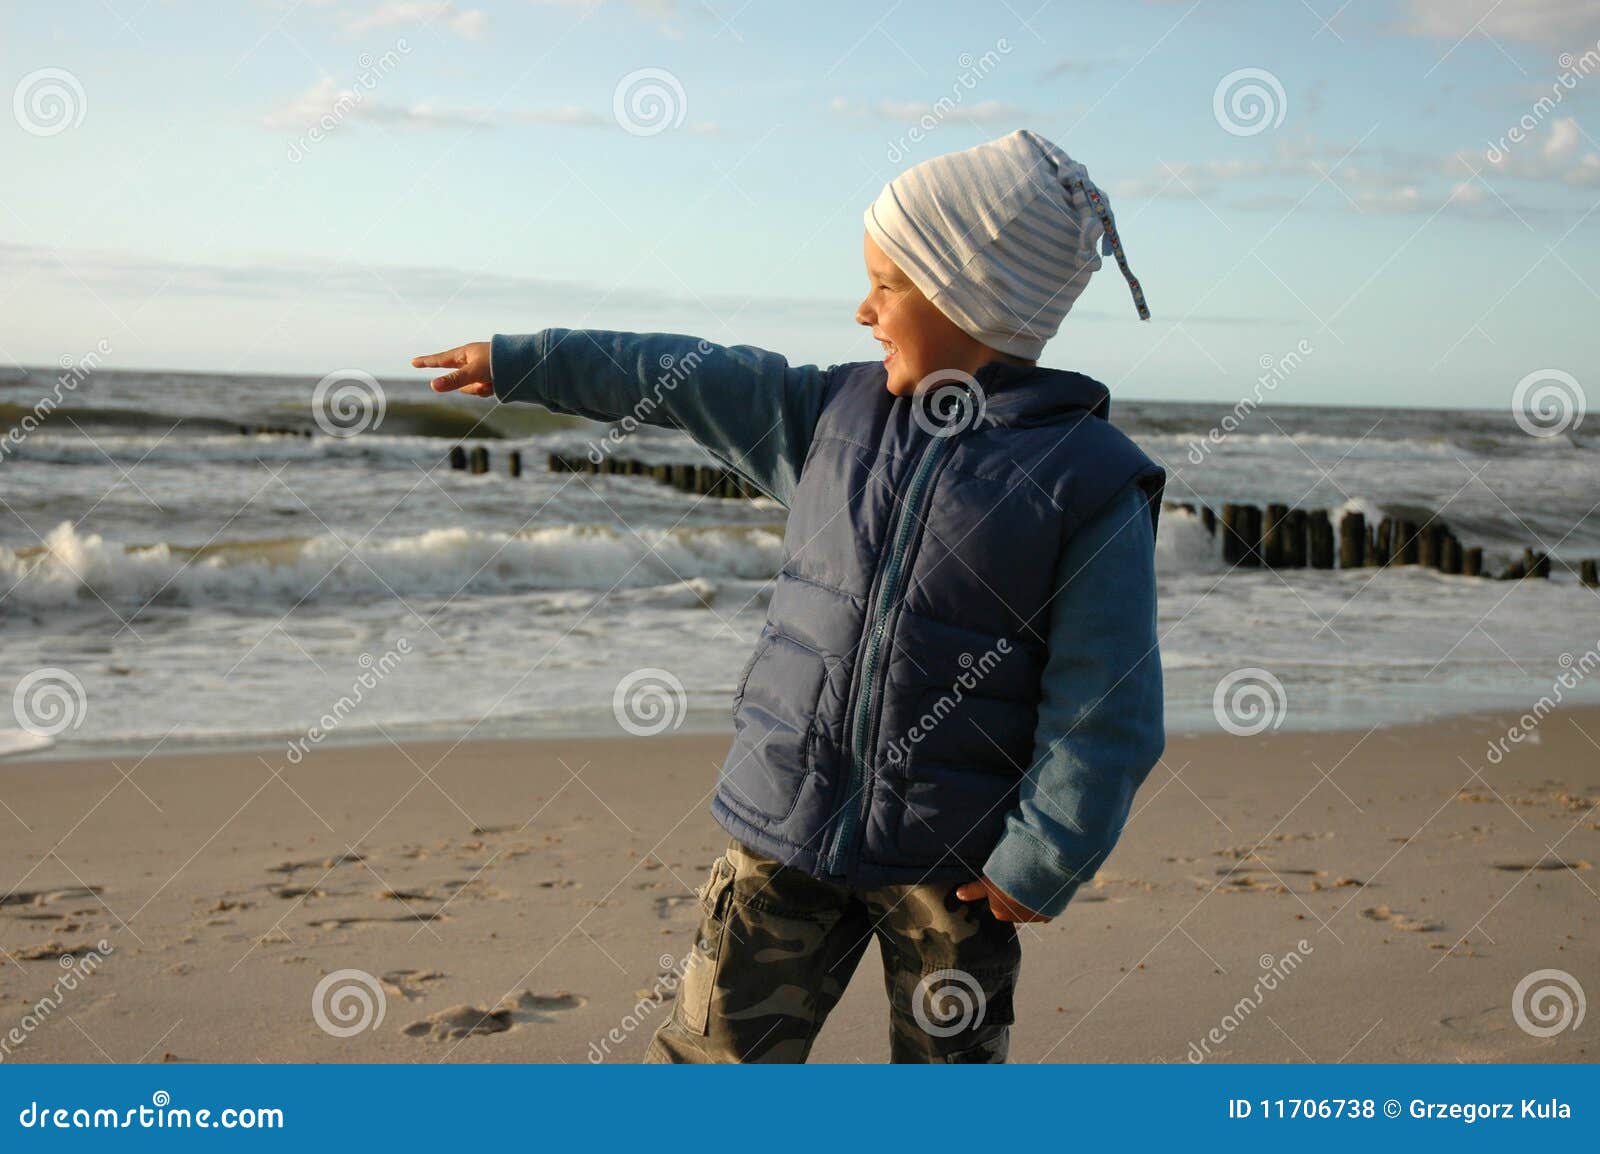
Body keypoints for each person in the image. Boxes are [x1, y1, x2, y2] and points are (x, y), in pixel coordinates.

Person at [412, 129, 1165, 1063]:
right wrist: (534, 361)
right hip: (783, 830)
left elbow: (1108, 700)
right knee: (711, 1065)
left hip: (953, 870)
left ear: (969, 297)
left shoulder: (1085, 479)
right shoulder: (828, 419)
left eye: (886, 286)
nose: (863, 310)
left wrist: (1045, 854)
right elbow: (682, 376)